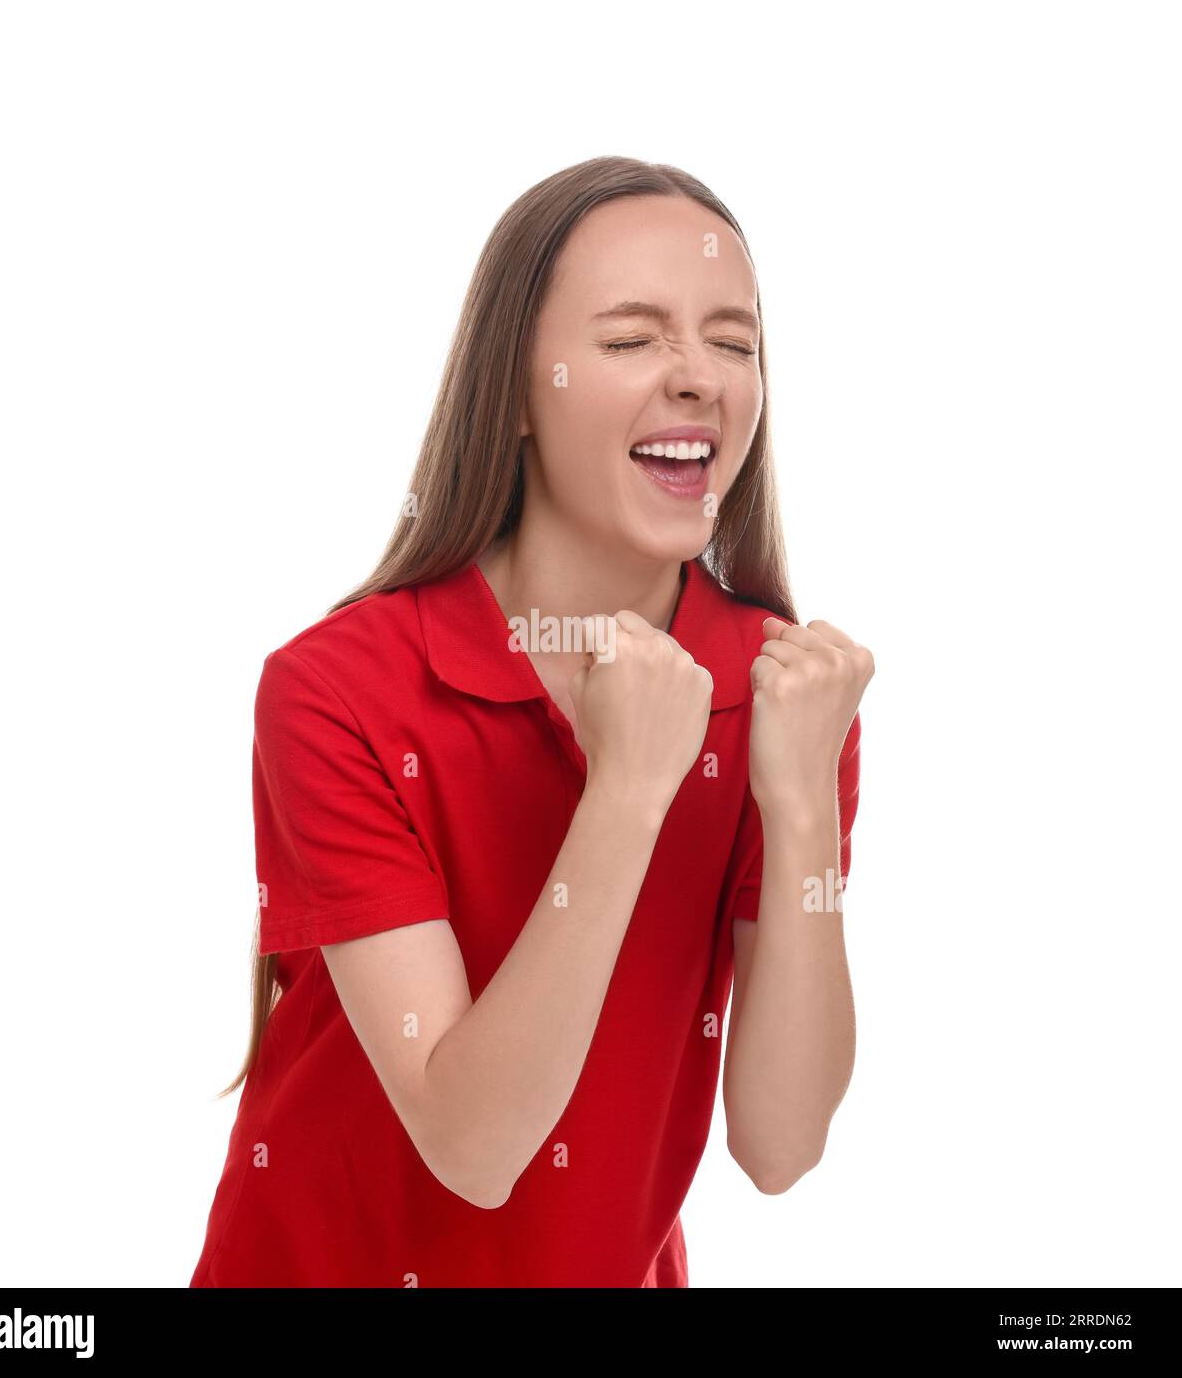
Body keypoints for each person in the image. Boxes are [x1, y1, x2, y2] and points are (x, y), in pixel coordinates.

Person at [189, 155, 874, 1289]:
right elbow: (476, 1143)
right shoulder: (336, 690)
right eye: (631, 339)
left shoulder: (786, 697)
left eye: (734, 342)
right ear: (514, 388)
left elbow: (782, 1143)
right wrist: (628, 790)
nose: (698, 377)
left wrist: (799, 806)